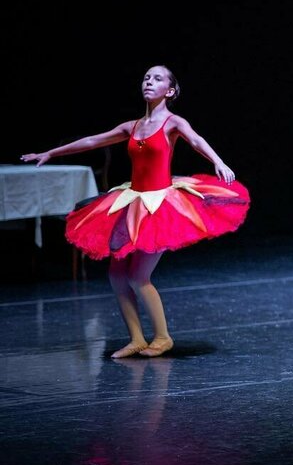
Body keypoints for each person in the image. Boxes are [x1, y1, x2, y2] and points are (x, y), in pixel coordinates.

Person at [21, 65, 249, 358]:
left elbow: (195, 140)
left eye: (157, 78)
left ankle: (163, 337)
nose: (149, 81)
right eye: (146, 77)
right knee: (117, 274)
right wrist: (51, 152)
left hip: (160, 205)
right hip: (132, 200)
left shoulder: (173, 122)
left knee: (139, 275)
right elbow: (94, 140)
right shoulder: (132, 126)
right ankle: (137, 338)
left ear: (170, 90)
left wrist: (218, 161)